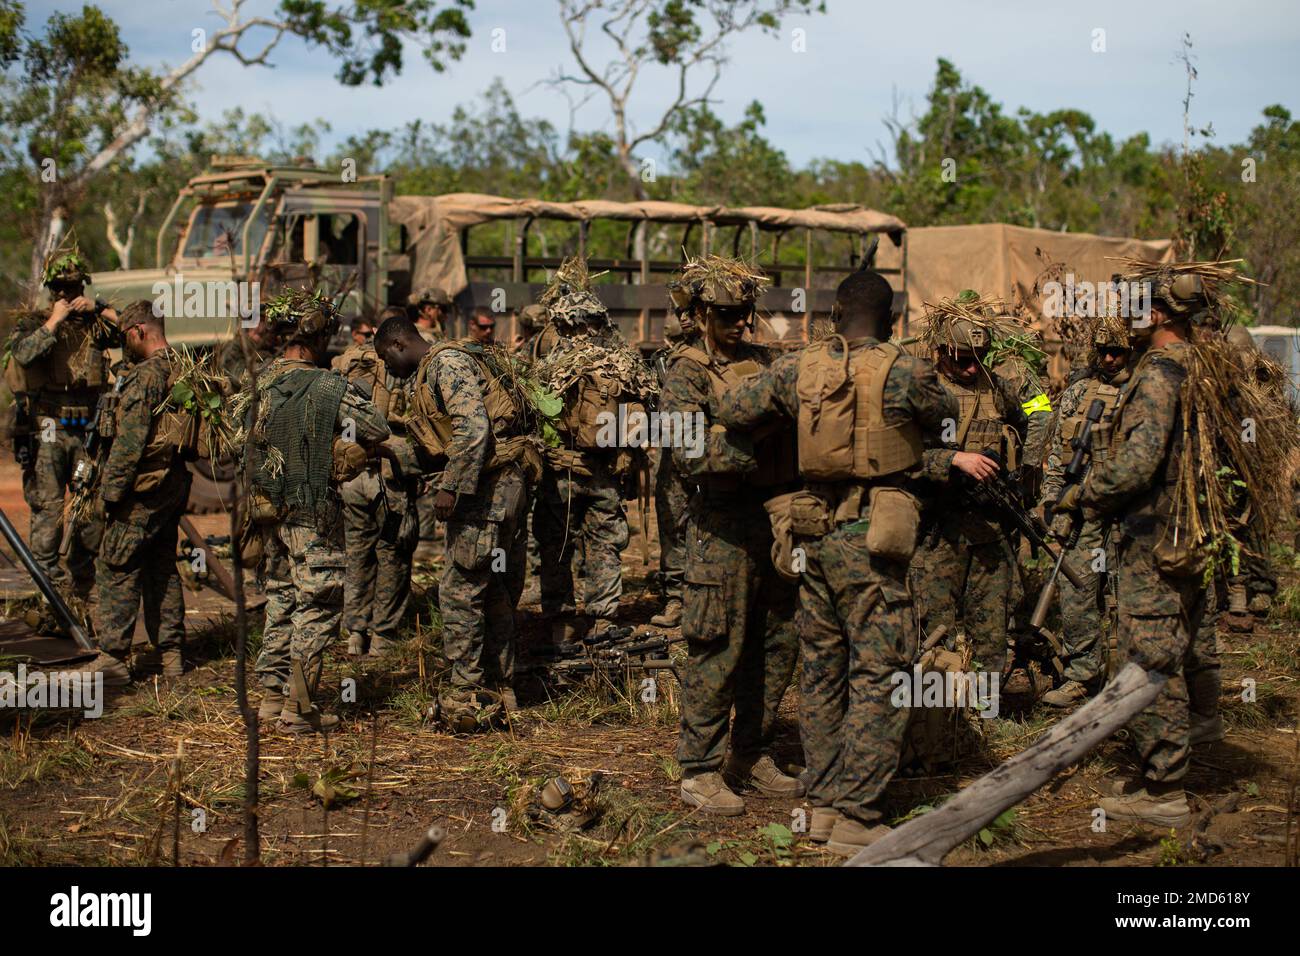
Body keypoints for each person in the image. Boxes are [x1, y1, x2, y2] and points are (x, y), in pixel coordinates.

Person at [718, 268, 956, 855]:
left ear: (832, 313)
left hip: (811, 532)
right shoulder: (906, 369)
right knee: (881, 671)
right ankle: (859, 816)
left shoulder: (799, 365)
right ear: (891, 318)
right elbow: (945, 412)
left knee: (822, 668)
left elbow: (734, 409)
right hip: (873, 537)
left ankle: (822, 805)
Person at [660, 255, 803, 814]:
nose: (742, 323)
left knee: (776, 643)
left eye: (746, 312)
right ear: (699, 314)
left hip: (773, 522)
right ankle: (699, 769)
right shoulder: (684, 372)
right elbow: (688, 454)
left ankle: (751, 751)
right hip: (719, 528)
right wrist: (757, 446)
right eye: (727, 314)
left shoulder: (764, 360)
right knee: (716, 646)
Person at [1068, 270, 1210, 827]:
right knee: (1179, 643)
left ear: (1155, 316)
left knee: (1150, 655)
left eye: (1135, 309)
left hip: (1154, 536)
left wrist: (1085, 493)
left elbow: (1138, 463)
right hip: (1189, 533)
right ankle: (1178, 758)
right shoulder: (1202, 364)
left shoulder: (1157, 374)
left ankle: (1164, 790)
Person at [375, 313, 540, 725]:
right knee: (497, 589)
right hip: (505, 487)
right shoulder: (452, 360)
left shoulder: (445, 364)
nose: (387, 368)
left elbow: (472, 429)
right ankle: (501, 688)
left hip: (487, 493)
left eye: (385, 357)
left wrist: (451, 487)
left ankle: (466, 692)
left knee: (460, 591)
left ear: (398, 344)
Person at [249, 289, 391, 733]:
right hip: (314, 511)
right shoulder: (329, 385)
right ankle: (299, 708)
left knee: (281, 596)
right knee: (320, 600)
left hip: (269, 510)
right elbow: (375, 426)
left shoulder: (261, 381)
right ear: (317, 335)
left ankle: (272, 699)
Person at [532, 260, 656, 643]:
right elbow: (646, 413)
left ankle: (561, 622)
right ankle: (603, 620)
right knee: (605, 547)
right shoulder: (621, 364)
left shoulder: (549, 364)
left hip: (561, 474)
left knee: (556, 548)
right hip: (605, 473)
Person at [80, 301, 196, 685]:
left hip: (142, 489)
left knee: (116, 563)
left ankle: (113, 658)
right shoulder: (182, 367)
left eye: (126, 337)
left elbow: (129, 445)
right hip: (174, 483)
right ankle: (171, 655)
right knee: (162, 567)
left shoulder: (146, 377)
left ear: (139, 332)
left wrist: (110, 495)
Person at [910, 305, 1028, 678]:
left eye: (980, 358)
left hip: (989, 531)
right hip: (937, 532)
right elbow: (896, 456)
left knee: (991, 631)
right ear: (941, 351)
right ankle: (940, 721)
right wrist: (953, 461)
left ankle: (984, 719)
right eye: (963, 360)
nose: (973, 369)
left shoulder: (997, 387)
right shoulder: (920, 389)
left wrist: (1022, 462)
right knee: (932, 630)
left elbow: (1035, 413)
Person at [5, 240, 116, 602]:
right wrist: (55, 320)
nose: (69, 295)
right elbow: (22, 354)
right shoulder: (35, 323)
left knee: (90, 511)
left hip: (88, 431)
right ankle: (46, 590)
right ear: (51, 293)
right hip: (48, 428)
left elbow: (137, 328)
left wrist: (98, 308)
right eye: (62, 290)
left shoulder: (97, 325)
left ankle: (84, 589)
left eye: (75, 289)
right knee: (49, 511)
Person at [1037, 317, 1133, 707]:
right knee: (1077, 591)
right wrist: (1050, 499)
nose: (1109, 359)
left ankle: (1128, 677)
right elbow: (1058, 456)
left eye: (1118, 352)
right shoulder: (1079, 393)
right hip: (1080, 511)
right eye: (1103, 351)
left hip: (1126, 511)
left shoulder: (1141, 392)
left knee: (1125, 594)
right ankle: (1082, 674)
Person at [333, 307, 420, 658]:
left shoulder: (346, 361)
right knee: (393, 555)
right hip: (393, 472)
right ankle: (383, 637)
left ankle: (355, 631)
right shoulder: (409, 367)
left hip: (353, 473)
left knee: (356, 555)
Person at [649, 312, 699, 628]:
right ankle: (676, 597)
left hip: (706, 450)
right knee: (672, 523)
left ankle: (702, 595)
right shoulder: (660, 363)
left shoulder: (713, 358)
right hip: (673, 452)